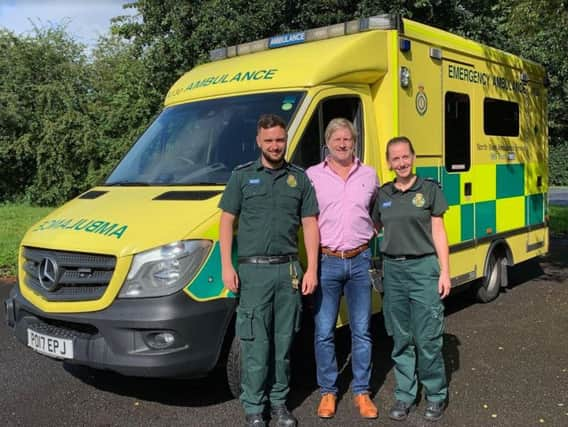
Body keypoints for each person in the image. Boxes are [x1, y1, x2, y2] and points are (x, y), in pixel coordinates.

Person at [219, 114, 320, 427]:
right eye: (269, 141)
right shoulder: (241, 177)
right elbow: (226, 222)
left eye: (280, 140)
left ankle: (279, 404)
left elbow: (310, 224)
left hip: (288, 271)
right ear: (258, 142)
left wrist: (312, 268)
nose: (275, 146)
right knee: (254, 344)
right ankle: (254, 408)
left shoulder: (299, 179)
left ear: (285, 140)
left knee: (283, 343)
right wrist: (226, 265)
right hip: (253, 273)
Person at [372, 136, 451, 422]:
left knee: (428, 336)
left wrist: (445, 271)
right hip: (393, 270)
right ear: (389, 162)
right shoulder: (383, 195)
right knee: (401, 337)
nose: (401, 163)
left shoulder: (429, 190)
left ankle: (435, 395)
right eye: (395, 158)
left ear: (413, 157)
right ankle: (405, 396)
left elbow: (439, 232)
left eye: (405, 156)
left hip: (423, 268)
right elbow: (372, 226)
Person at [306, 118, 379, 419]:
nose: (342, 143)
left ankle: (362, 392)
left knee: (361, 331)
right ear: (327, 143)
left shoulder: (370, 174)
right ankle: (328, 392)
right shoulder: (312, 175)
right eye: (337, 139)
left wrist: (374, 231)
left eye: (347, 138)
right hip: (327, 261)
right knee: (324, 332)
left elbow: (379, 209)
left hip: (360, 261)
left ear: (354, 141)